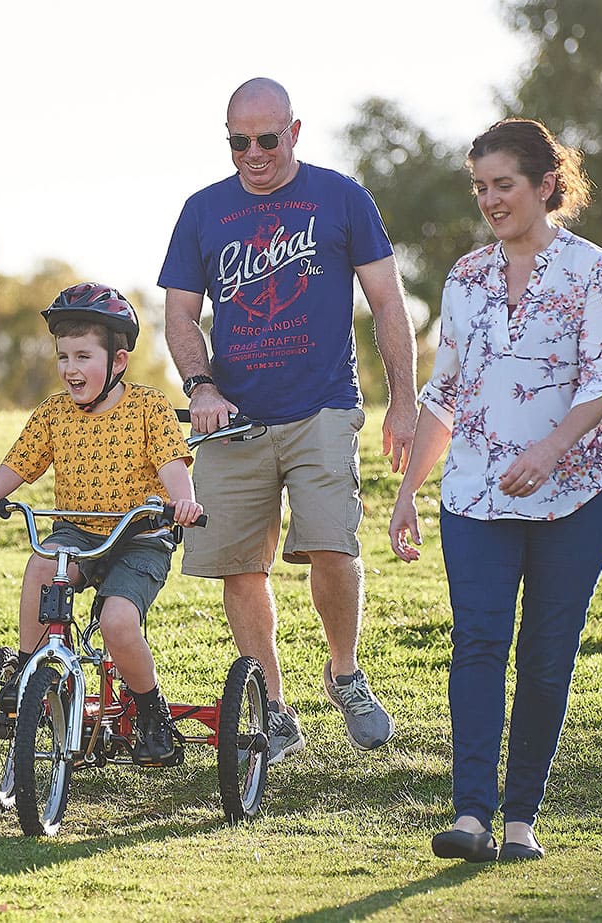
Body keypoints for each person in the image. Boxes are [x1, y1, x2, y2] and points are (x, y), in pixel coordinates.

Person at [159, 77, 417, 763]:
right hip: (233, 419)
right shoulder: (203, 211)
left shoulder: (341, 198)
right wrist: (202, 385)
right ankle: (275, 708)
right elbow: (180, 314)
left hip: (322, 406)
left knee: (333, 543)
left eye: (267, 139)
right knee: (242, 566)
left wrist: (405, 397)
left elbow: (388, 303)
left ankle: (345, 673)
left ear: (294, 133)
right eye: (238, 142)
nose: (253, 153)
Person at [388, 117, 602, 862]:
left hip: (577, 495)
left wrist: (550, 452)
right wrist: (406, 492)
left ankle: (521, 818)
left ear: (545, 184)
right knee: (478, 644)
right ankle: (470, 816)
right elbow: (445, 392)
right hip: (476, 497)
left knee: (547, 654)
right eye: (480, 186)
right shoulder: (465, 277)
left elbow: (601, 386)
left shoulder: (592, 270)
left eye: (504, 184)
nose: (490, 199)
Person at [0, 283, 203, 765]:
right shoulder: (53, 413)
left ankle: (151, 713)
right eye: (63, 357)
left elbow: (174, 464)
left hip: (139, 535)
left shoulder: (148, 408)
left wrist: (183, 503)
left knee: (117, 621)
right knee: (42, 568)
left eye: (83, 356)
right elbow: (21, 464)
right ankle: (29, 673)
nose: (70, 369)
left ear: (118, 361)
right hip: (76, 531)